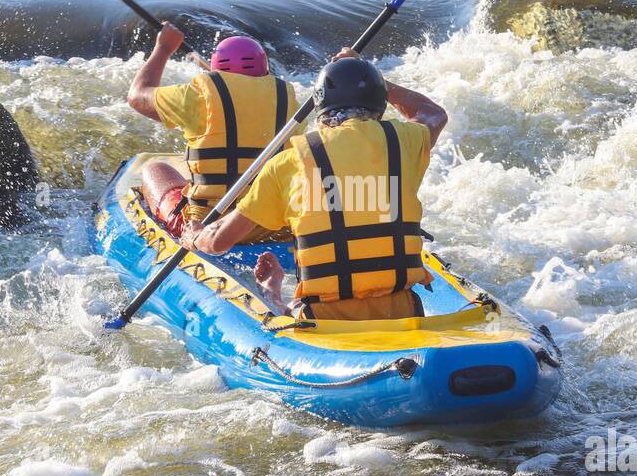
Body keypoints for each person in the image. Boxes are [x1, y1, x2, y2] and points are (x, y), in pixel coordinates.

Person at [186, 49, 448, 321]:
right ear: (378, 102)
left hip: (326, 320)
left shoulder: (287, 162)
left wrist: (194, 236)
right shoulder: (405, 141)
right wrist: (376, 81)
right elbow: (433, 113)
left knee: (289, 307)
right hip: (401, 310)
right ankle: (275, 294)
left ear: (322, 105)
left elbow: (219, 242)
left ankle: (274, 296)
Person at [128, 21, 294, 243]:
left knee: (154, 170)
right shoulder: (289, 99)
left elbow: (137, 96)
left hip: (207, 226)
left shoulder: (199, 95)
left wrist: (164, 49)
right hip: (270, 227)